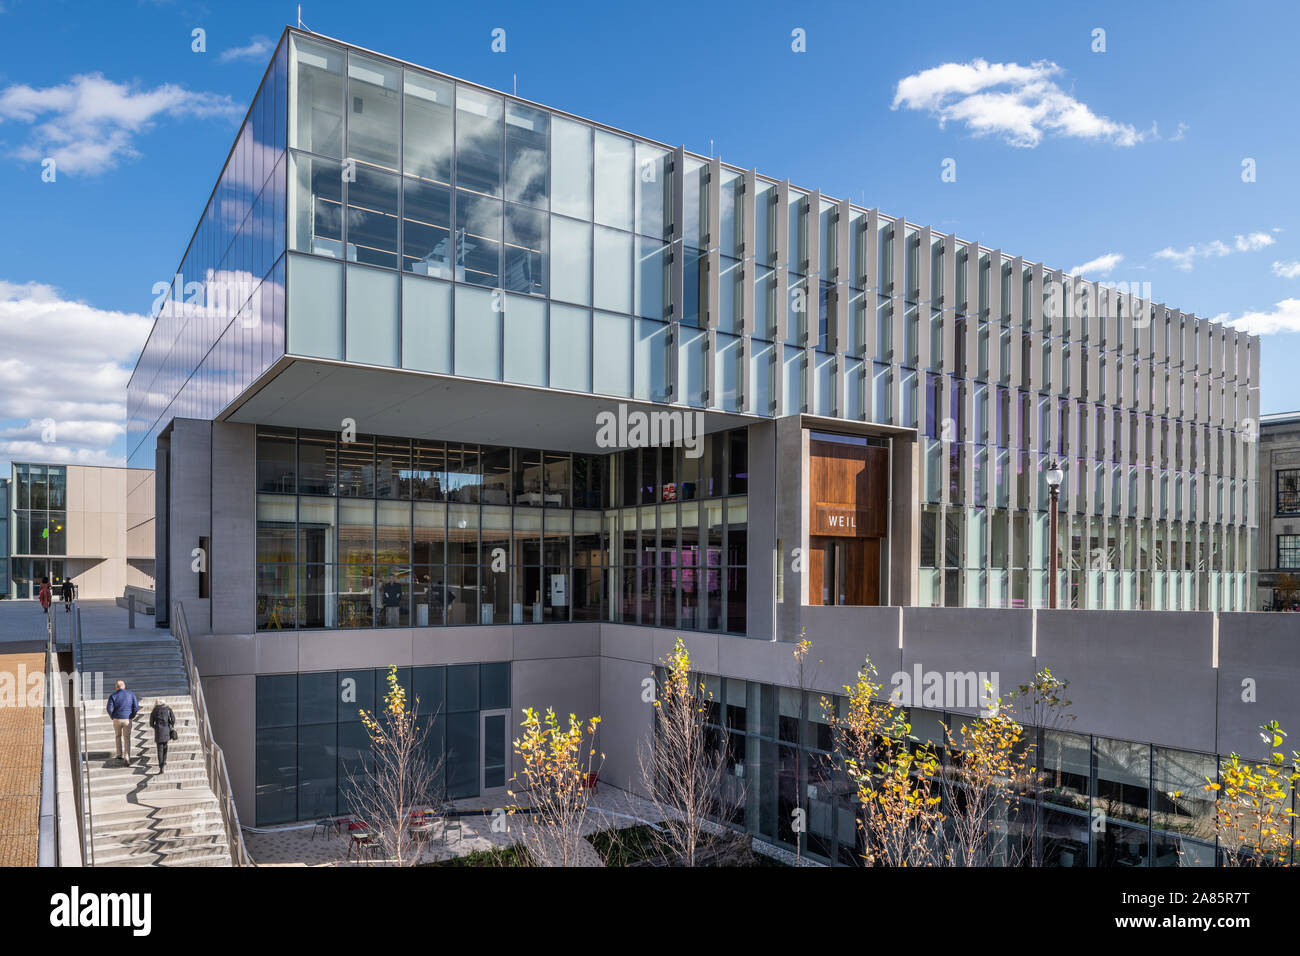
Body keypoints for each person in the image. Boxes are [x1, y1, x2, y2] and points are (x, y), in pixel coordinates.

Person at [106, 680, 140, 765]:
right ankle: (127, 756)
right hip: (127, 719)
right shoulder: (131, 694)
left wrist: (112, 716)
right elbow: (136, 707)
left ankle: (119, 754)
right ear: (124, 686)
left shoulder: (113, 696)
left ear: (116, 687)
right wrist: (132, 716)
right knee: (127, 738)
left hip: (117, 719)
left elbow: (109, 708)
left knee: (118, 736)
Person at [149, 700, 176, 773]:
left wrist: (156, 727)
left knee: (159, 750)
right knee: (165, 747)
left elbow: (151, 723)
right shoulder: (168, 709)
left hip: (158, 731)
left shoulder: (154, 710)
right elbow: (173, 719)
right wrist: (170, 725)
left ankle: (161, 767)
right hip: (166, 730)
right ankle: (164, 761)